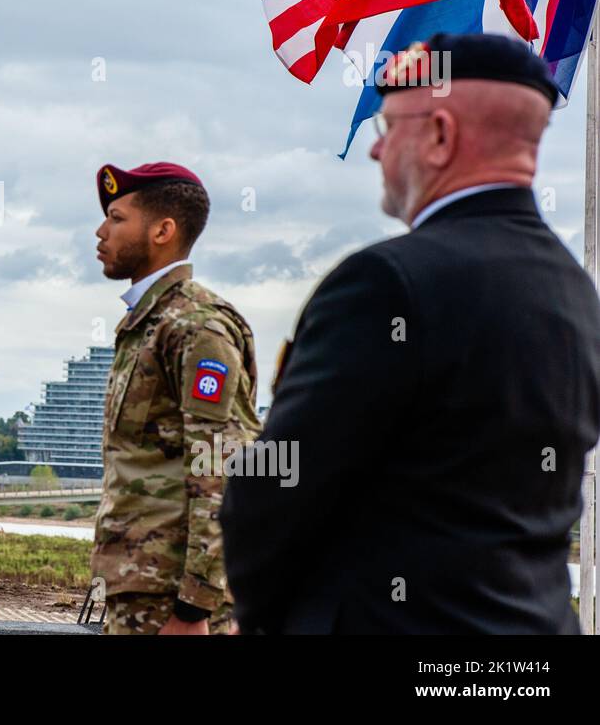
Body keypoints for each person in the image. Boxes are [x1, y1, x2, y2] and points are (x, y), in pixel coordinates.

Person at [220, 33, 600, 634]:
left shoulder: (386, 282)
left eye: (388, 128)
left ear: (441, 135)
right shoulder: (573, 290)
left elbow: (276, 485)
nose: (377, 154)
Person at [90, 162, 261, 635]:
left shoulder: (195, 325)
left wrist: (194, 609)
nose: (101, 231)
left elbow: (221, 469)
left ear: (163, 230)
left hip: (172, 604)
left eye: (117, 218)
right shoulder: (149, 321)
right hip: (140, 590)